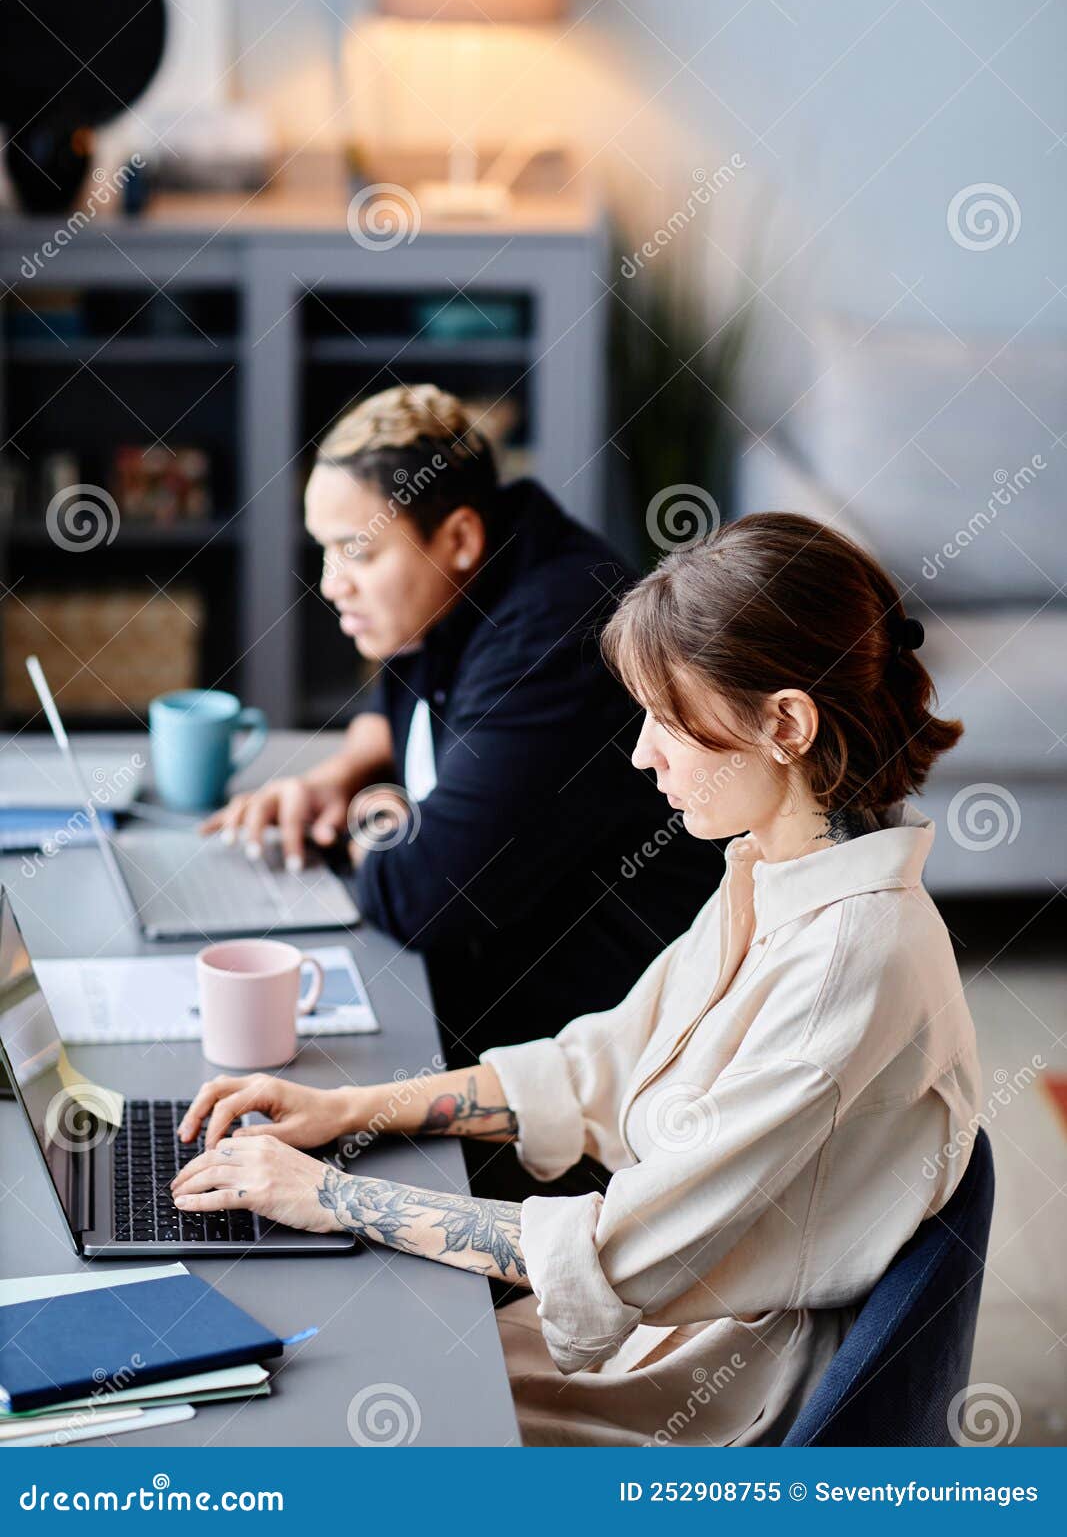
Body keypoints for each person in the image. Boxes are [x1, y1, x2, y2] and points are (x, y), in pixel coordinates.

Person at [176, 511, 980, 1446]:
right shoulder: (773, 866)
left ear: (785, 724)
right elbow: (593, 1065)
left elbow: (612, 1253)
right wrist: (351, 1111)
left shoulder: (853, 959)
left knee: (311, 1410)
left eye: (669, 720)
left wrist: (329, 1196)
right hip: (670, 1337)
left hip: (715, 1398)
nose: (642, 753)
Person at [202, 384, 715, 1075]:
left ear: (459, 537)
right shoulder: (466, 573)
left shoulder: (551, 638)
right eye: (324, 551)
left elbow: (426, 894)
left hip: (594, 1042)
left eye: (358, 553)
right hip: (493, 978)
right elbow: (393, 710)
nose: (331, 584)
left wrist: (361, 814)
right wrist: (331, 778)